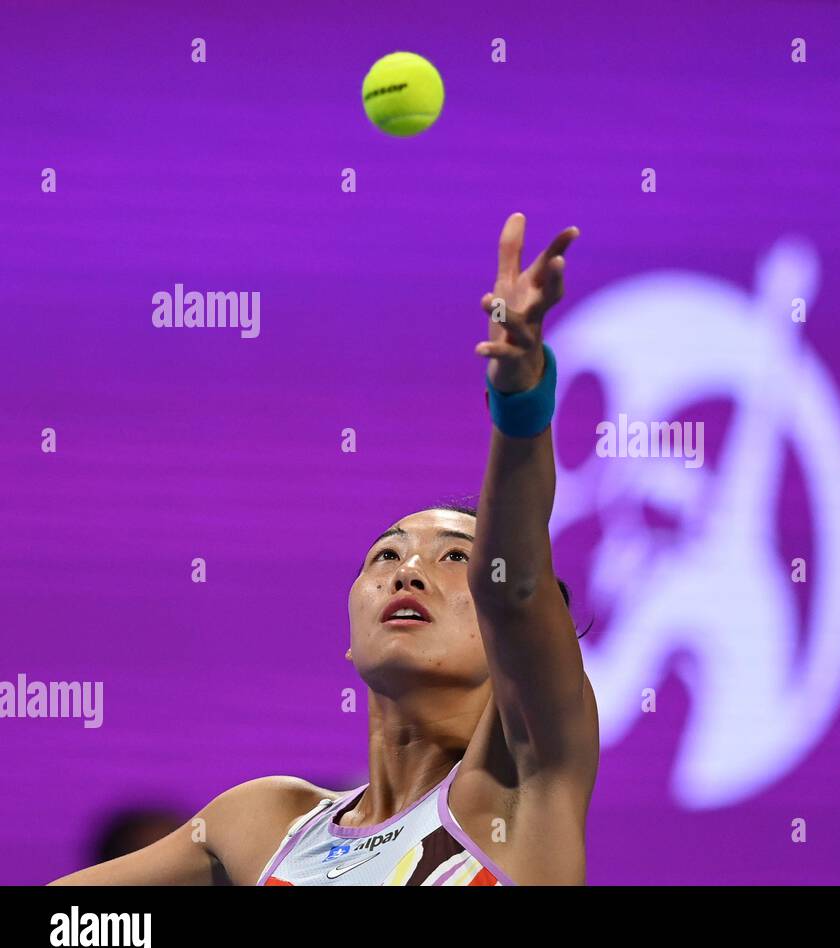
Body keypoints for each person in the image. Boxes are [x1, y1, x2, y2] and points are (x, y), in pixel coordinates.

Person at [50, 214, 599, 885]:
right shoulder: (263, 822)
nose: (411, 570)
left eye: (456, 557)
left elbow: (514, 588)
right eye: (385, 556)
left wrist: (518, 401)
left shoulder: (524, 788)